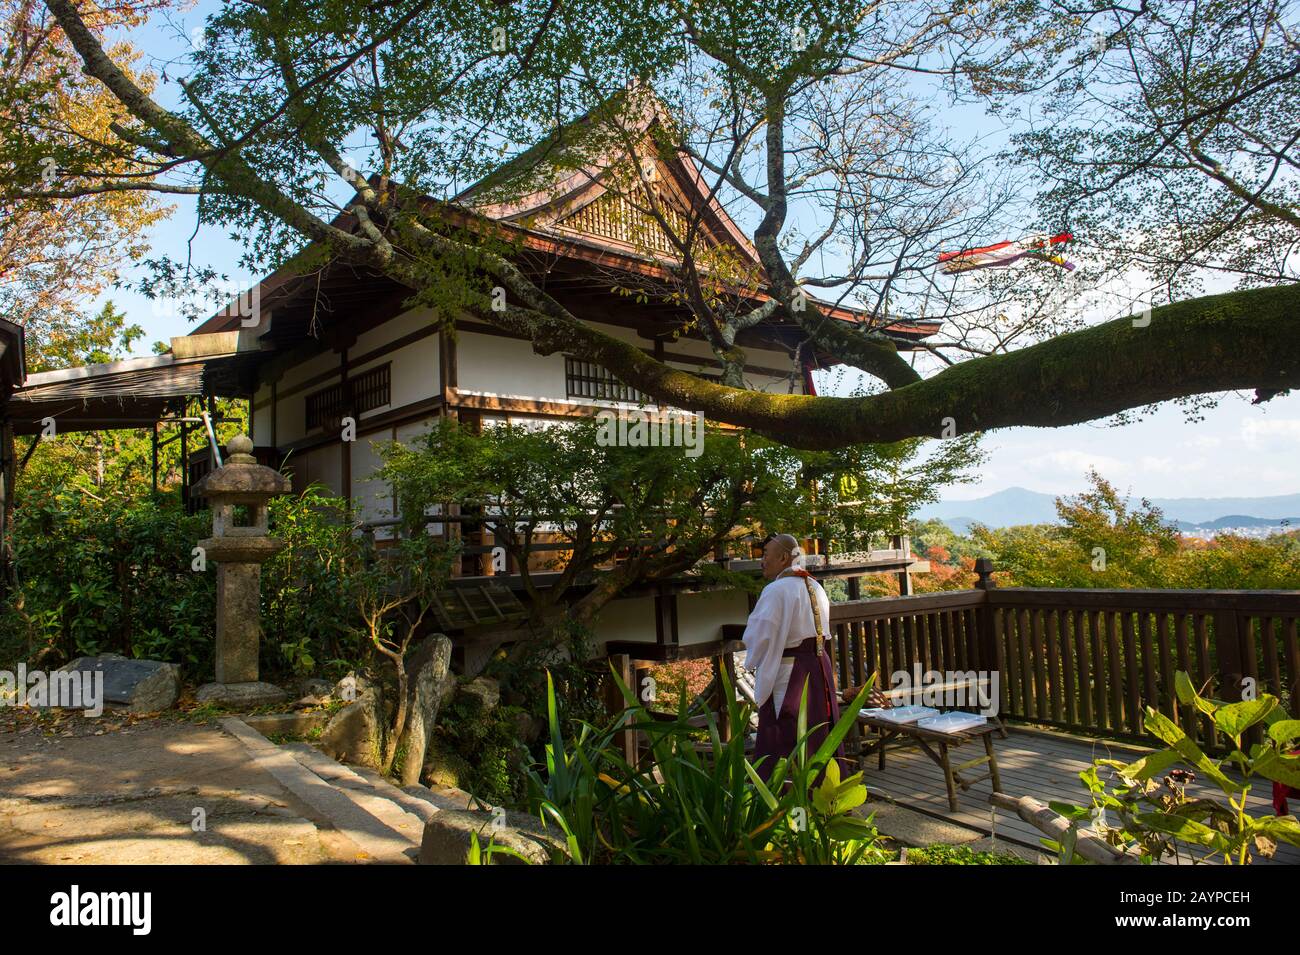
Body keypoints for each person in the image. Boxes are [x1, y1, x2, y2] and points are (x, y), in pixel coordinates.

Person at [741, 533, 853, 780]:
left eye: (766, 555)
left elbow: (761, 634)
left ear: (782, 558)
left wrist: (752, 658)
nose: (762, 560)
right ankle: (823, 793)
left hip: (791, 670)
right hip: (817, 666)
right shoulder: (815, 586)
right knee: (818, 726)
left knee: (787, 729)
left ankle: (784, 796)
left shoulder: (776, 590)